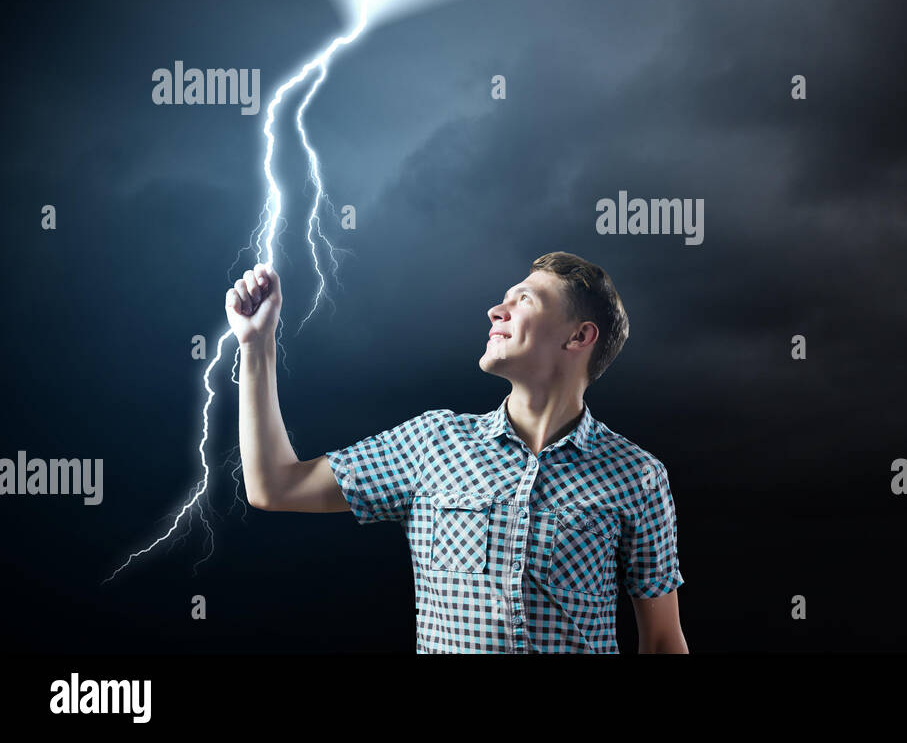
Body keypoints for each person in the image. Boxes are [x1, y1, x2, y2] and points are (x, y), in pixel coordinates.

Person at [226, 250, 687, 654]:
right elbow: (275, 486)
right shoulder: (432, 442)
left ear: (579, 337)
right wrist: (256, 344)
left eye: (524, 299)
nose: (495, 310)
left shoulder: (637, 475)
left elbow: (664, 640)